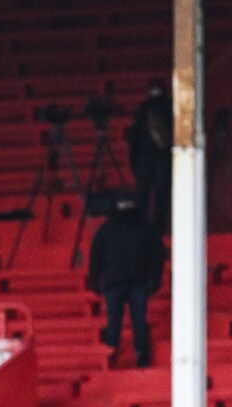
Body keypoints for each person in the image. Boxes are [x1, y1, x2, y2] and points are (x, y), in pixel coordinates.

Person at [86, 196, 162, 369]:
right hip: (129, 284)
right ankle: (125, 358)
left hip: (124, 284)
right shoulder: (143, 227)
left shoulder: (107, 229)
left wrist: (95, 279)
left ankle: (118, 359)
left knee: (122, 323)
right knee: (131, 323)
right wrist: (155, 279)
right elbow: (157, 254)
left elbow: (95, 256)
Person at [127, 80, 172, 228]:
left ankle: (142, 225)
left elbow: (134, 137)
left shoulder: (143, 108)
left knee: (144, 193)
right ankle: (158, 225)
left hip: (147, 158)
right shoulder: (168, 107)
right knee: (160, 193)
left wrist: (133, 161)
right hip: (160, 158)